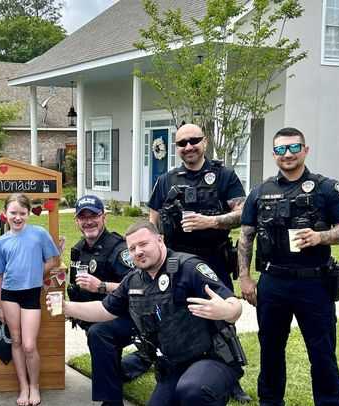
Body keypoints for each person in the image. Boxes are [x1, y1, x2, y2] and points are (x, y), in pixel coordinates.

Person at [50, 221, 245, 406]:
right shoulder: (134, 280)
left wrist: (226, 311)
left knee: (193, 390)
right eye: (132, 248)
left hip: (210, 358)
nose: (138, 252)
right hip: (173, 365)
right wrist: (66, 307)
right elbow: (104, 310)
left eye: (143, 244)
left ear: (160, 240)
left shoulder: (188, 268)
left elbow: (234, 305)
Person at [238, 127, 339, 406]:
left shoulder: (326, 188)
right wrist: (244, 277)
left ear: (305, 150)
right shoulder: (259, 192)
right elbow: (246, 237)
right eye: (280, 150)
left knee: (322, 352)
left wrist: (321, 237)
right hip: (272, 283)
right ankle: (270, 402)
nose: (287, 154)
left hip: (314, 283)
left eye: (293, 148)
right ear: (273, 155)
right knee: (270, 349)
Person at [148, 123, 251, 402]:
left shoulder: (223, 175)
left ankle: (229, 375)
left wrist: (211, 221)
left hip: (212, 258)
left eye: (194, 141)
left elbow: (243, 213)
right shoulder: (167, 179)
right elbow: (153, 219)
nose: (188, 147)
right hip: (176, 263)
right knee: (177, 314)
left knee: (222, 317)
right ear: (177, 148)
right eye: (182, 143)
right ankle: (179, 368)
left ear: (204, 142)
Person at [67, 195, 151, 406]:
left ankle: (111, 402)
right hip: (96, 314)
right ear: (76, 221)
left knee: (99, 334)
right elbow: (74, 286)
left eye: (93, 215)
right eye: (82, 217)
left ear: (103, 217)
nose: (88, 222)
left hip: (131, 315)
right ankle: (140, 361)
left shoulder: (119, 249)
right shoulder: (78, 250)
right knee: (106, 356)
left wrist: (101, 286)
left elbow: (140, 287)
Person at [0, 193, 62, 406]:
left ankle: (34, 386)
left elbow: (52, 260)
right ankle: (23, 386)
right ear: (5, 214)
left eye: (22, 213)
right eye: (13, 213)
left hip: (31, 293)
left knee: (29, 345)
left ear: (29, 213)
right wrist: (1, 305)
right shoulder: (1, 242)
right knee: (17, 340)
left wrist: (35, 272)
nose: (18, 217)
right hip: (10, 295)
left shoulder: (39, 234)